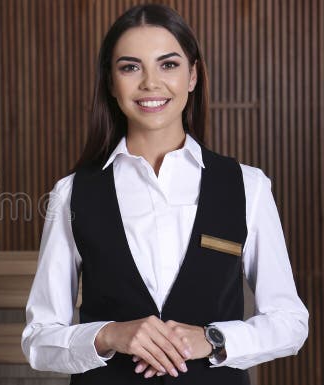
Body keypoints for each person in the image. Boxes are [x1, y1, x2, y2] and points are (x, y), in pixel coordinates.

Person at [21, 4, 308, 384]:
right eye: (130, 67)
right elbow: (38, 339)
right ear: (111, 82)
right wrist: (108, 335)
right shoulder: (71, 193)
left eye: (168, 65)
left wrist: (212, 339)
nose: (150, 83)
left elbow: (290, 322)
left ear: (193, 75)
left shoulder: (247, 186)